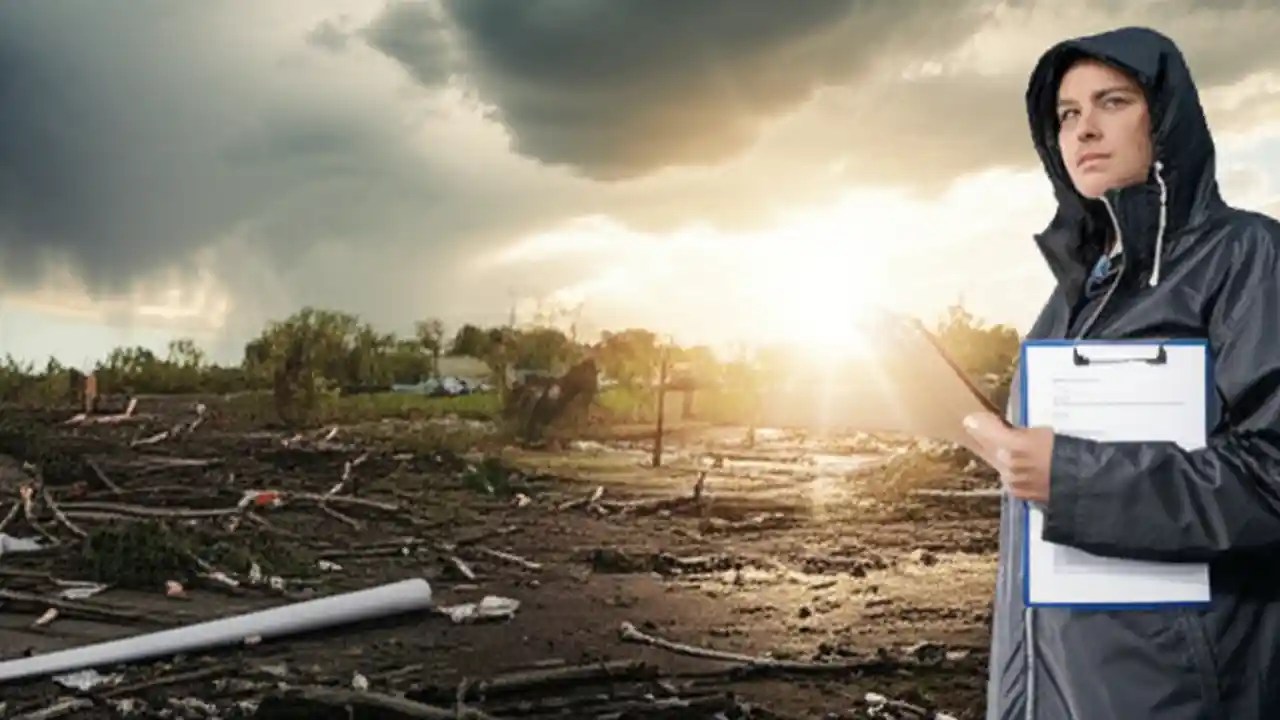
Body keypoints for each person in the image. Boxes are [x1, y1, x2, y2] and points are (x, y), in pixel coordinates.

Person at [961, 26, 1280, 719]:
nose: (1084, 129)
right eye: (1067, 114)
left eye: (1112, 102)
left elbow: (1272, 478)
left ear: (1164, 117)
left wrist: (1070, 479)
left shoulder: (1247, 256)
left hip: (1178, 695)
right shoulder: (1070, 297)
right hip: (1054, 687)